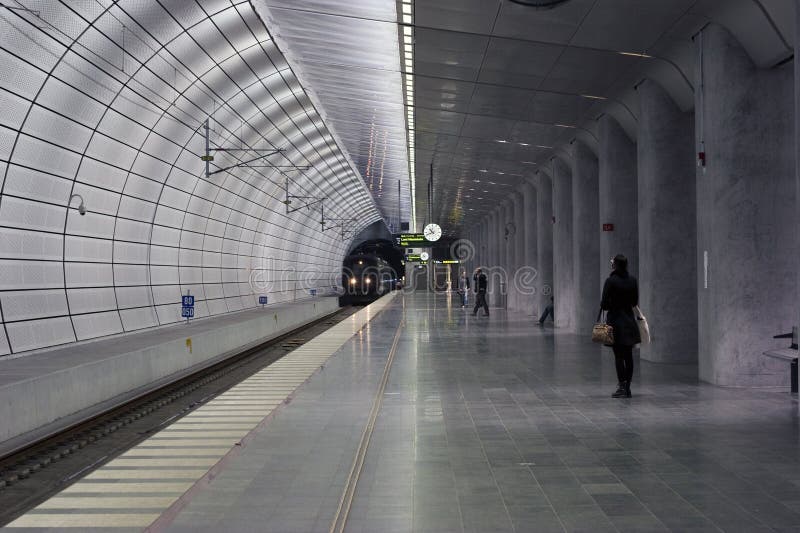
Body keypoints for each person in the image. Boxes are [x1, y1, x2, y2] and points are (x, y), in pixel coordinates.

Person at [601, 254, 641, 398]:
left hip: (615, 322)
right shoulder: (632, 280)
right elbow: (634, 301)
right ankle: (628, 387)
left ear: (615, 265)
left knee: (618, 356)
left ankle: (622, 386)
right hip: (629, 321)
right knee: (629, 356)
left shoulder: (611, 281)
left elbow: (604, 304)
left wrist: (613, 304)